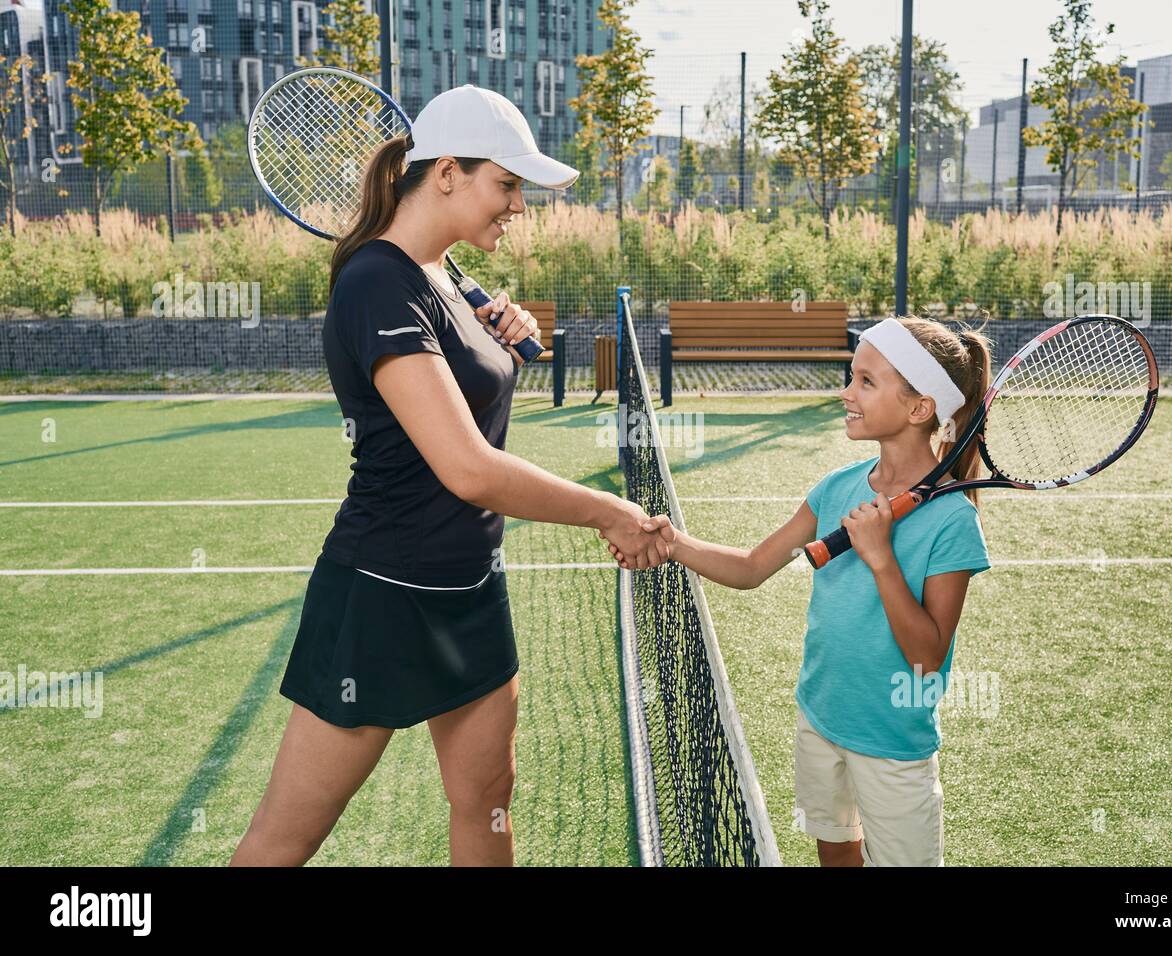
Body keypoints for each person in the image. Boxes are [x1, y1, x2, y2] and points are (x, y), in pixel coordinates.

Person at [231, 85, 670, 867]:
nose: (519, 208)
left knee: (487, 804)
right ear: (445, 175)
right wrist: (606, 509)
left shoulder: (442, 275)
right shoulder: (376, 281)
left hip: (470, 585)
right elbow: (467, 467)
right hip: (381, 590)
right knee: (285, 840)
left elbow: (468, 407)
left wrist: (503, 342)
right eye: (507, 186)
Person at [603, 316, 993, 866]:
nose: (846, 392)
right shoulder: (836, 488)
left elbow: (927, 656)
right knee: (835, 854)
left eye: (865, 381)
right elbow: (752, 567)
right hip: (820, 715)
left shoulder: (952, 520)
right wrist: (671, 544)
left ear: (919, 408)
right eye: (851, 377)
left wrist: (880, 558)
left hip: (892, 744)